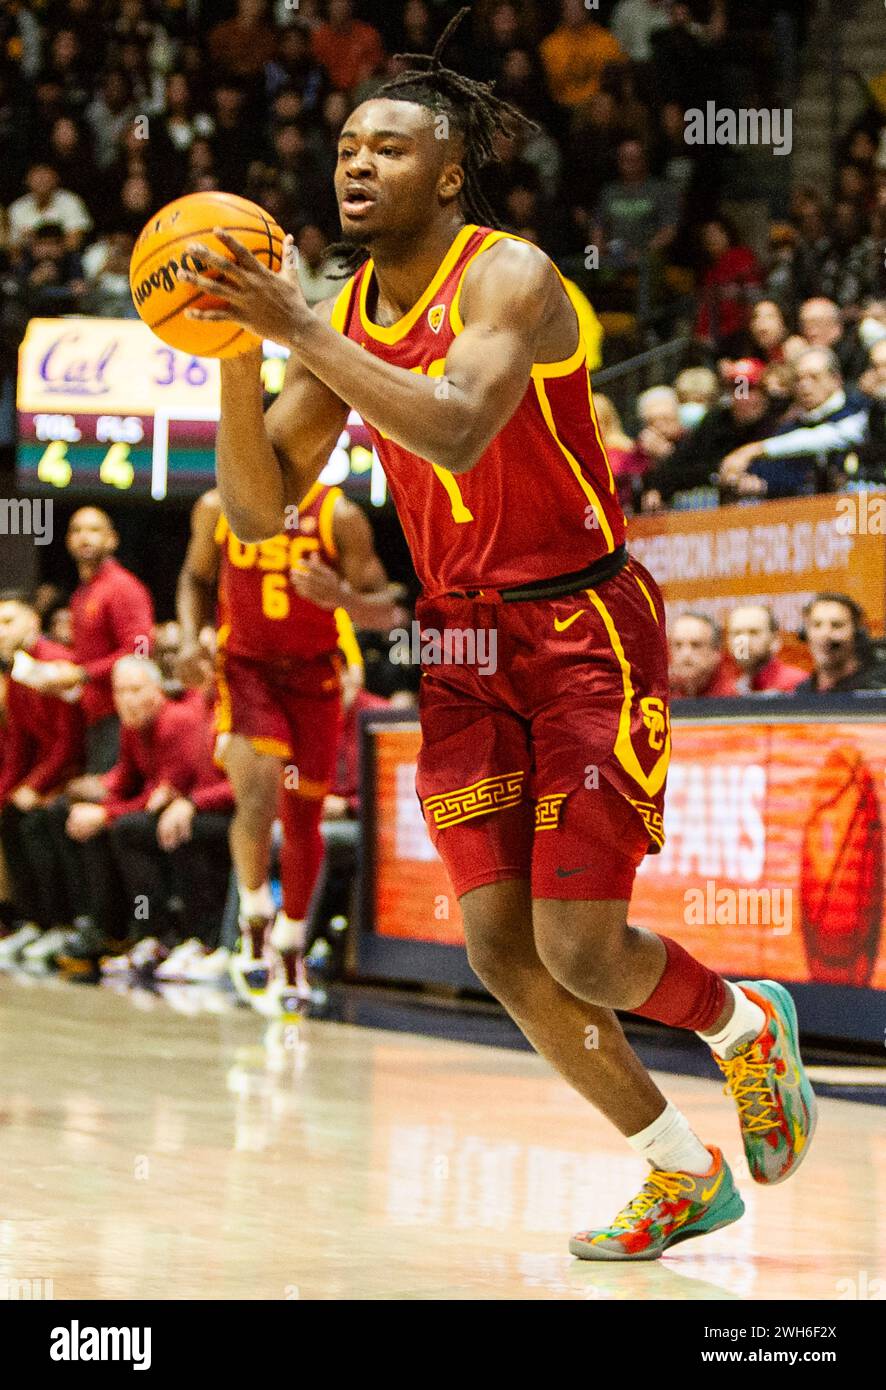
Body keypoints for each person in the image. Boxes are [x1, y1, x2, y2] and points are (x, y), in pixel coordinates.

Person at [177, 7, 816, 1262]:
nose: (356, 162)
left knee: (580, 944)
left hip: (583, 622)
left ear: (449, 170)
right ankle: (678, 1172)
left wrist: (298, 328)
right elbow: (258, 508)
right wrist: (231, 356)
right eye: (347, 145)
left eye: (389, 147)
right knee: (496, 944)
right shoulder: (344, 309)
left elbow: (460, 425)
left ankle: (743, 1025)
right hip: (461, 643)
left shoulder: (509, 272)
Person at [176, 485, 404, 1011]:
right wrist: (191, 638)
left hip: (315, 677)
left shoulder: (338, 516)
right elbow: (194, 577)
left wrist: (342, 600)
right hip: (246, 670)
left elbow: (388, 611)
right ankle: (254, 913)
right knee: (257, 795)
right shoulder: (221, 504)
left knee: (304, 820)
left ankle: (291, 942)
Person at [54, 657, 235, 975]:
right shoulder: (132, 727)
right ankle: (106, 928)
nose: (128, 700)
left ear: (157, 690)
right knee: (78, 818)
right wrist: (99, 801)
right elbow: (127, 780)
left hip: (211, 811)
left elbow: (163, 794)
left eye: (136, 690)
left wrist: (106, 814)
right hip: (187, 806)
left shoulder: (178, 721)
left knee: (130, 829)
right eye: (120, 692)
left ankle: (165, 933)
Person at [0, 592, 84, 967]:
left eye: (8, 622)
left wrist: (35, 787)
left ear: (33, 622)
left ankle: (63, 922)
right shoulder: (19, 670)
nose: (0, 631)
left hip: (74, 772)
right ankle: (33, 919)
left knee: (39, 824)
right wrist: (8, 792)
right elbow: (21, 742)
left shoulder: (56, 664)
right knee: (9, 816)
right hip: (46, 773)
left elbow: (69, 741)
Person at [36, 509, 154, 773]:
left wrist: (81, 674)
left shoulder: (122, 587)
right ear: (67, 541)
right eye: (76, 530)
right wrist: (58, 674)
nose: (84, 537)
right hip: (93, 716)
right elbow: (84, 657)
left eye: (93, 530)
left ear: (112, 539)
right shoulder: (81, 594)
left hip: (121, 717)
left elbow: (142, 649)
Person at [721, 348, 869, 498]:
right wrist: (755, 483)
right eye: (798, 379)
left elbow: (829, 437)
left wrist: (755, 450)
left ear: (836, 380)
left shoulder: (859, 408)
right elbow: (771, 475)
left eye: (814, 377)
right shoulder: (788, 428)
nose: (804, 385)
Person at [792, 595, 886, 694]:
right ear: (804, 633)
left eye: (837, 625)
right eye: (816, 625)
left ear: (857, 634)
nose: (825, 634)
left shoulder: (874, 691)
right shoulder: (802, 691)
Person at [726, 605, 806, 695]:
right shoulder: (726, 690)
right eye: (737, 633)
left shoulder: (797, 685)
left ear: (774, 639)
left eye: (753, 632)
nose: (744, 641)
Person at [669, 613, 738, 699]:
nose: (685, 653)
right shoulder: (662, 693)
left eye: (696, 645)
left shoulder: (733, 696)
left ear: (716, 652)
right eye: (678, 645)